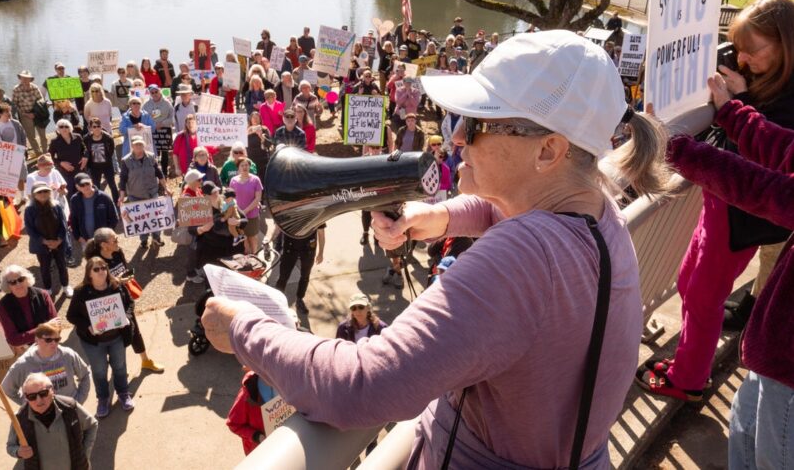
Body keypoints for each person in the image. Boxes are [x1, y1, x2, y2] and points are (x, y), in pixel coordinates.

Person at [200, 30, 672, 469]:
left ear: (548, 151)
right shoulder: (597, 211)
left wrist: (243, 328)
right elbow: (508, 212)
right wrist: (435, 217)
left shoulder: (523, 259)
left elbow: (364, 385)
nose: (457, 136)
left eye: (479, 124)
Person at [639, 0, 794, 401]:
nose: (742, 59)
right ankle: (687, 365)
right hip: (722, 203)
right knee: (689, 280)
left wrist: (742, 100)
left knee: (705, 295)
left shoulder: (786, 93)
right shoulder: (771, 75)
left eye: (753, 50)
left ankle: (689, 378)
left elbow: (772, 153)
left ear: (785, 44)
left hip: (742, 212)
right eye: (738, 48)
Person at [664, 82, 794, 468]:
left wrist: (674, 148)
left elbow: (768, 191)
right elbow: (787, 150)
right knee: (747, 432)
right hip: (775, 354)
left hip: (788, 368)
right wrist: (732, 112)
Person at [83, 228, 165, 373]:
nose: (117, 242)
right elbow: (95, 285)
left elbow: (124, 269)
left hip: (123, 299)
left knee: (134, 331)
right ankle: (118, 369)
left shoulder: (118, 252)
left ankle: (145, 361)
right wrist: (118, 280)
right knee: (113, 339)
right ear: (104, 245)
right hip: (108, 306)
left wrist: (125, 278)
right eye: (114, 240)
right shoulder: (95, 263)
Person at [67, 257, 136, 418]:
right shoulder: (81, 292)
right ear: (89, 273)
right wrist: (87, 327)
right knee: (99, 371)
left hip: (116, 337)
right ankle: (103, 399)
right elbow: (71, 316)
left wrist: (126, 317)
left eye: (104, 267)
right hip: (94, 342)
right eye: (96, 269)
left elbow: (130, 303)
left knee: (119, 367)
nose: (101, 271)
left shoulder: (116, 286)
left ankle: (123, 393)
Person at [7, 373, 98, 469]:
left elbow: (92, 425)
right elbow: (10, 446)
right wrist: (18, 452)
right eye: (32, 397)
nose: (38, 400)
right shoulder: (20, 418)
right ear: (26, 398)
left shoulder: (69, 407)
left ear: (52, 390)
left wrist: (84, 454)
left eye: (43, 393)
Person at [1, 322, 91, 405]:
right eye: (48, 340)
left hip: (69, 410)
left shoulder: (68, 355)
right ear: (37, 339)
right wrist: (29, 405)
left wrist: (78, 401)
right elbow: (7, 388)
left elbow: (85, 375)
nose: (53, 343)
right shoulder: (23, 364)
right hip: (41, 417)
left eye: (57, 339)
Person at [24, 183, 73, 296]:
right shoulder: (29, 210)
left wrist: (59, 240)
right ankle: (48, 288)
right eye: (39, 192)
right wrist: (45, 242)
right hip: (41, 245)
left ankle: (65, 286)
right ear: (33, 195)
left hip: (58, 243)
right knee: (44, 268)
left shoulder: (56, 206)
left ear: (50, 192)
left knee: (62, 265)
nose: (43, 194)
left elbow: (63, 225)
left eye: (45, 191)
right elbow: (30, 230)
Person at [0, 265, 59, 350]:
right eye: (12, 282)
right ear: (8, 285)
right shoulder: (3, 305)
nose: (18, 284)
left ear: (27, 279)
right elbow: (13, 340)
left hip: (49, 343)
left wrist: (27, 336)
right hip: (25, 349)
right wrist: (45, 328)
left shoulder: (43, 295)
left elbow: (56, 326)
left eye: (21, 279)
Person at [119, 136, 167, 248]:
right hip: (136, 195)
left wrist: (166, 188)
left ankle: (156, 238)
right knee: (141, 220)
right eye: (136, 145)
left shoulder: (151, 157)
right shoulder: (126, 161)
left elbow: (159, 174)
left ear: (144, 145)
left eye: (140, 144)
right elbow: (123, 179)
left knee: (155, 217)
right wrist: (122, 196)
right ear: (132, 146)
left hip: (152, 193)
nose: (139, 147)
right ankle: (144, 241)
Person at [271, 220, 324, 309]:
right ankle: (277, 299)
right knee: (283, 276)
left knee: (305, 276)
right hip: (290, 248)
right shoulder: (290, 210)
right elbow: (278, 227)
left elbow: (321, 233)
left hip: (308, 250)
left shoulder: (317, 212)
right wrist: (270, 240)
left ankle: (300, 298)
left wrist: (321, 253)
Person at [69, 172, 118, 254]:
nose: (85, 186)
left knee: (106, 260)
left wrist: (107, 235)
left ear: (91, 182)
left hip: (103, 239)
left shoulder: (104, 197)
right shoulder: (74, 199)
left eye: (87, 183)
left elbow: (114, 218)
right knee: (92, 261)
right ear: (77, 187)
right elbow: (73, 219)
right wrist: (78, 236)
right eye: (82, 185)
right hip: (85, 239)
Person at [229, 157, 263, 254]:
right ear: (238, 168)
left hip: (252, 215)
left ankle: (255, 255)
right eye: (242, 165)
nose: (244, 167)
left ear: (249, 166)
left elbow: (257, 199)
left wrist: (245, 211)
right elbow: (231, 198)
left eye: (246, 165)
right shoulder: (233, 181)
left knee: (253, 237)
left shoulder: (256, 180)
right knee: (243, 239)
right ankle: (247, 259)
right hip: (238, 216)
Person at [49, 119, 88, 198]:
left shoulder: (77, 137)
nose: (64, 129)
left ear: (70, 127)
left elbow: (85, 149)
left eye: (66, 126)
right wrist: (61, 163)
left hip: (80, 169)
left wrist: (85, 157)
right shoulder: (54, 142)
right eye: (61, 127)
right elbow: (50, 157)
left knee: (84, 191)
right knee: (70, 194)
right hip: (66, 173)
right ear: (58, 129)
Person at [12, 70, 48, 155]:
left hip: (37, 113)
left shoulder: (35, 87)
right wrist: (25, 114)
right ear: (20, 78)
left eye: (27, 78)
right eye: (23, 78)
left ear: (30, 79)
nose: (24, 80)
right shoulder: (16, 89)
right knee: (31, 136)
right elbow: (14, 104)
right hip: (24, 114)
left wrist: (36, 112)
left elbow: (41, 100)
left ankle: (46, 153)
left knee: (43, 135)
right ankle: (38, 154)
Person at [83, 117, 118, 202]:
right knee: (96, 186)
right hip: (94, 166)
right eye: (94, 127)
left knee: (112, 185)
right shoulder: (86, 139)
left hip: (107, 165)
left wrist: (108, 158)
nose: (97, 128)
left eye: (98, 126)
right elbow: (85, 150)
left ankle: (117, 202)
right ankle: (99, 202)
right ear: (90, 128)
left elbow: (111, 150)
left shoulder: (108, 138)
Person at [143, 84, 175, 175]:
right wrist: (153, 125)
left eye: (156, 91)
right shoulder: (146, 104)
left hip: (165, 131)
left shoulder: (167, 103)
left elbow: (172, 118)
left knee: (165, 153)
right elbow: (144, 118)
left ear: (159, 91)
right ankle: (156, 172)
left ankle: (164, 172)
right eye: (152, 92)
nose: (154, 94)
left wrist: (163, 123)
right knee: (153, 153)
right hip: (152, 131)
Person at [246, 113, 272, 182]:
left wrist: (261, 136)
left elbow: (269, 144)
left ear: (260, 119)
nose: (255, 119)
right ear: (250, 120)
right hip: (250, 159)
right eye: (253, 118)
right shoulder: (246, 130)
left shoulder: (264, 129)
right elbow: (242, 144)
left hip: (263, 159)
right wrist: (247, 133)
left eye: (257, 117)